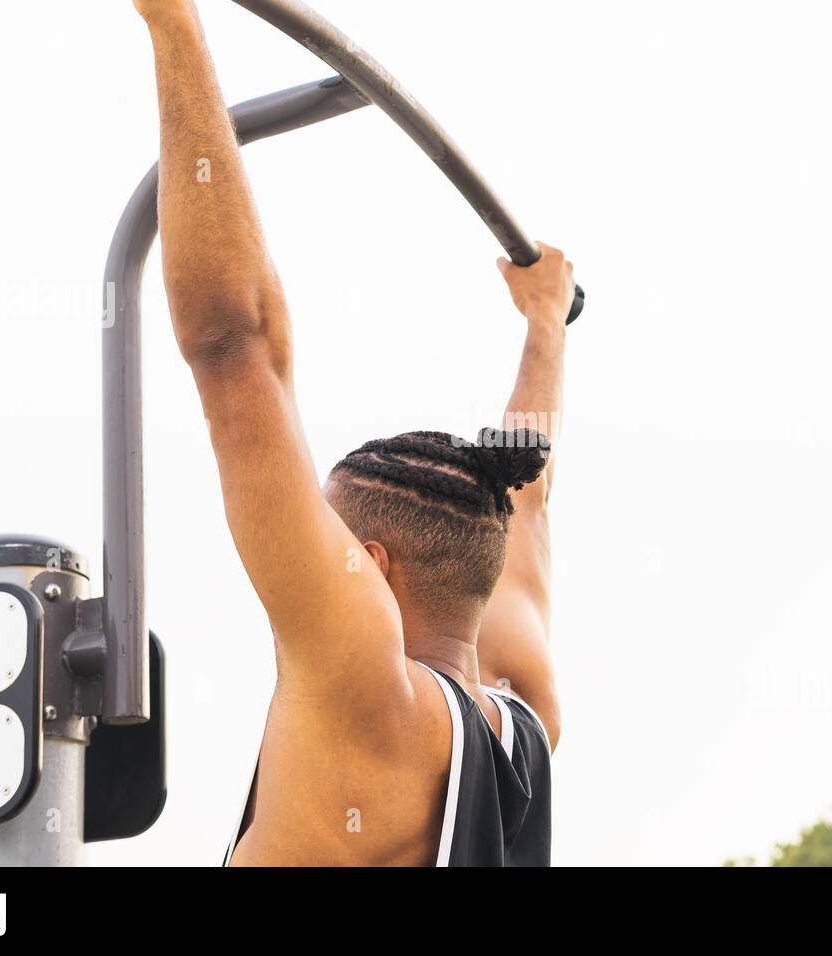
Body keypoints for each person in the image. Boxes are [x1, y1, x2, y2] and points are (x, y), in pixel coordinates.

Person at [133, 0, 575, 865]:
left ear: (371, 565)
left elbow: (237, 352)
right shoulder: (525, 718)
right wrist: (546, 323)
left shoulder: (365, 692)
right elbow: (527, 501)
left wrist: (172, 25)